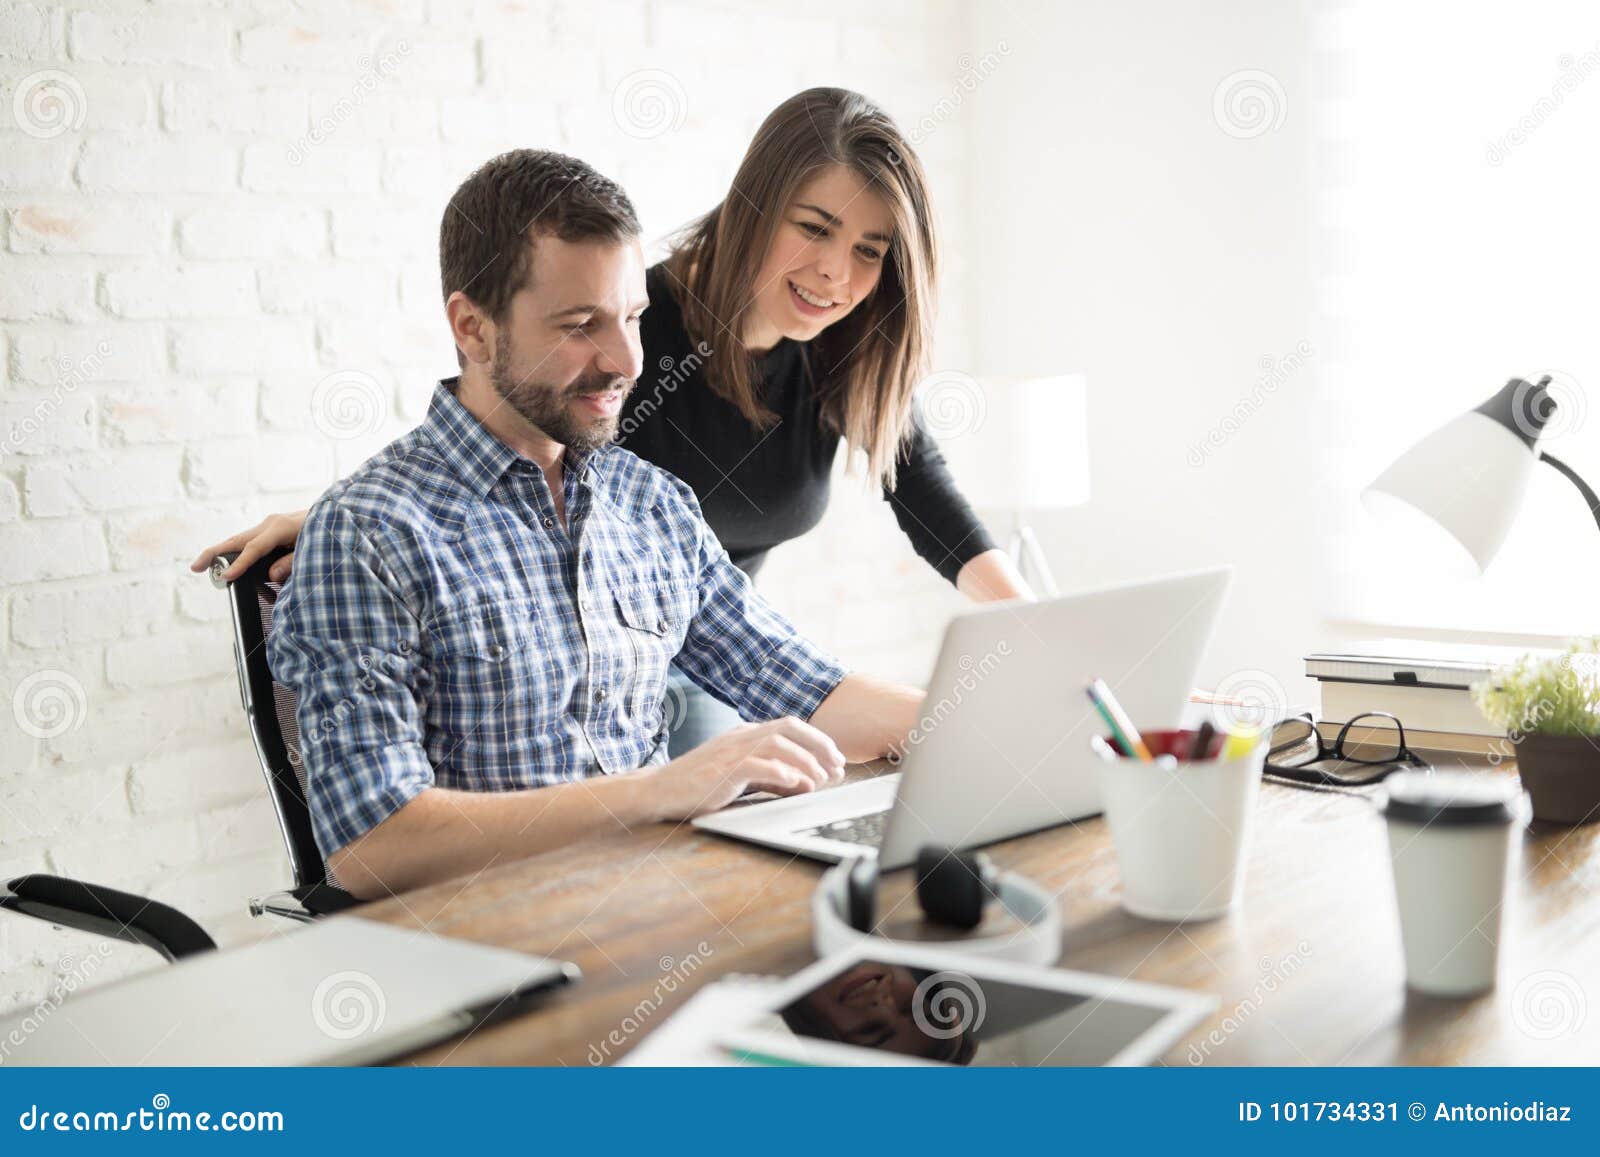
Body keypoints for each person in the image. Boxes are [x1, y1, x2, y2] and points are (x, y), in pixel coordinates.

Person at [193, 87, 1031, 757]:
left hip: (715, 631)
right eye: (814, 229)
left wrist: (1035, 643)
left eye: (870, 251)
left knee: (832, 796)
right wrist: (338, 518)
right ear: (756, 206)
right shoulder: (639, 329)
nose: (835, 274)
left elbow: (924, 499)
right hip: (604, 653)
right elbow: (512, 452)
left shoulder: (846, 351)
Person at [266, 149, 924, 900]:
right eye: (581, 325)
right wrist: (663, 790)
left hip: (649, 922)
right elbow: (371, 843)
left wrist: (1009, 719)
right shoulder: (369, 533)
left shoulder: (654, 507)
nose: (625, 359)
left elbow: (810, 690)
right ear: (473, 329)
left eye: (634, 317)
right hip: (492, 956)